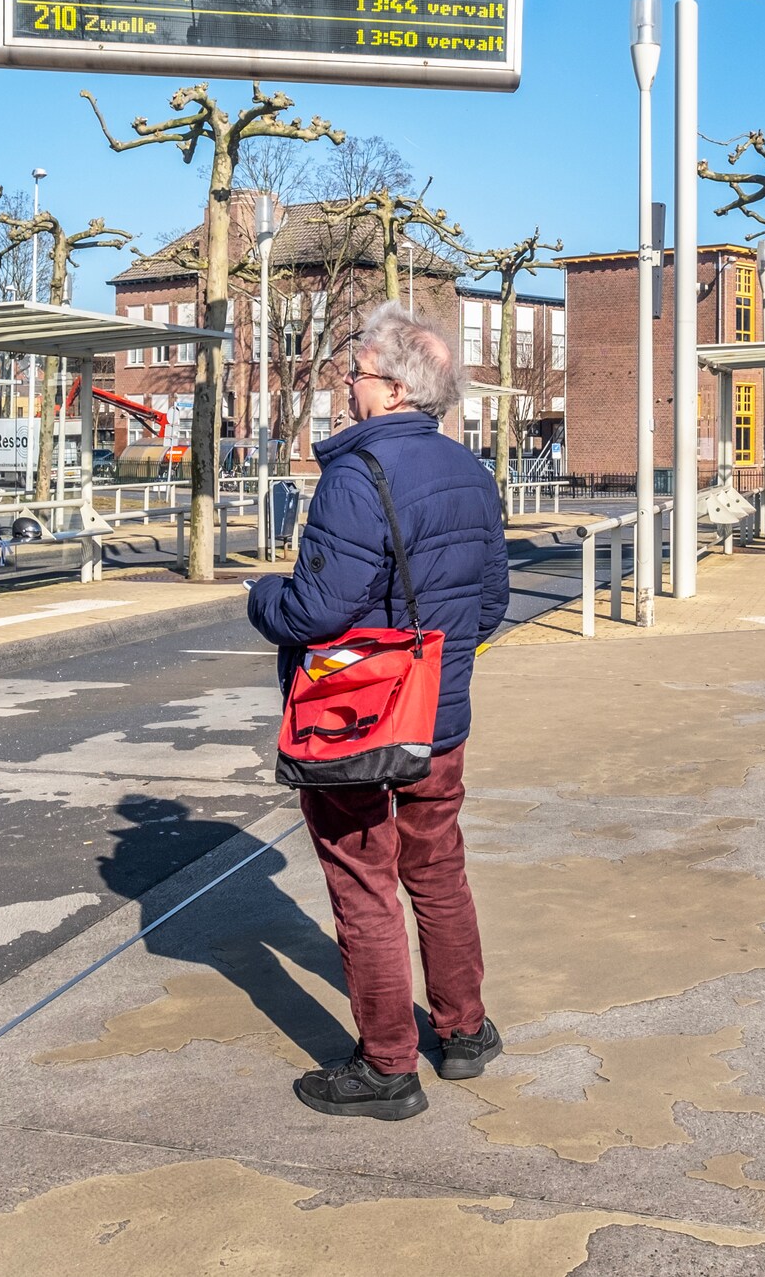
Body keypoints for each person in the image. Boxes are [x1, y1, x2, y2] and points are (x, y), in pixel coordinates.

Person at [247, 301, 511, 1121]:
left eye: (353, 372)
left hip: (355, 724)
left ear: (394, 389)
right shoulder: (472, 472)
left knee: (362, 880)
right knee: (437, 869)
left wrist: (263, 599)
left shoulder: (356, 477)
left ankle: (387, 1064)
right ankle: (463, 1032)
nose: (345, 385)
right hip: (442, 715)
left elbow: (319, 609)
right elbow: (492, 603)